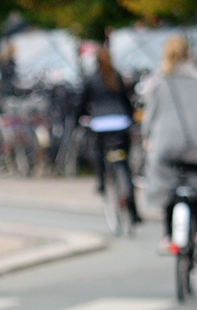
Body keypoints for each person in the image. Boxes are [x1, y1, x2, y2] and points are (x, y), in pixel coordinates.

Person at [141, 36, 197, 261]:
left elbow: (149, 117)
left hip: (167, 146)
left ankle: (168, 237)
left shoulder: (159, 81)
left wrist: (146, 137)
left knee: (168, 186)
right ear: (190, 54)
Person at [81, 44, 141, 223]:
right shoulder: (117, 77)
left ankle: (101, 182)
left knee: (98, 151)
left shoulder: (92, 79)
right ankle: (133, 209)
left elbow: (82, 103)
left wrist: (81, 118)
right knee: (124, 162)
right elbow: (126, 100)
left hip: (101, 123)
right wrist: (131, 118)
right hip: (121, 122)